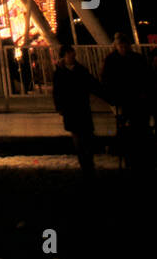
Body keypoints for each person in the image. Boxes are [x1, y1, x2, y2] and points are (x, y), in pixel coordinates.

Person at [100, 31, 151, 169]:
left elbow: (145, 77)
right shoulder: (114, 60)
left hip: (135, 99)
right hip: (123, 100)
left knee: (137, 129)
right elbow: (106, 80)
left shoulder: (121, 59)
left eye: (124, 45)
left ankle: (139, 158)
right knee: (128, 130)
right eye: (120, 46)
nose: (122, 48)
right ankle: (131, 158)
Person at [52, 44, 103, 177]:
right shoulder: (61, 73)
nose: (72, 56)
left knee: (87, 138)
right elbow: (57, 92)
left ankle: (88, 165)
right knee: (79, 140)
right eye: (69, 54)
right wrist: (60, 107)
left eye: (72, 53)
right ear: (64, 56)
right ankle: (86, 167)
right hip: (72, 110)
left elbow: (93, 85)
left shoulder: (79, 70)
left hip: (81, 108)